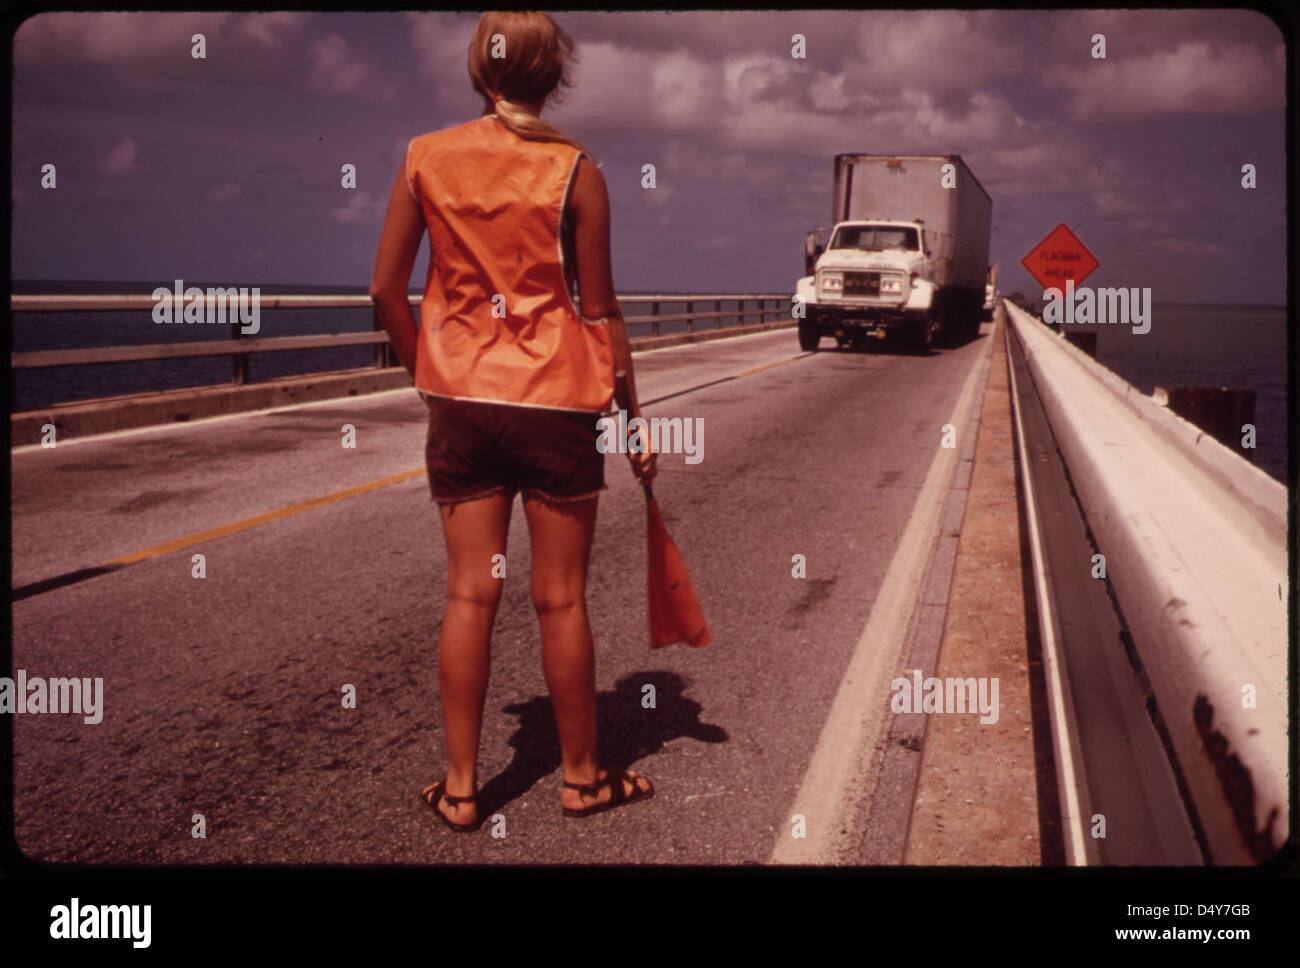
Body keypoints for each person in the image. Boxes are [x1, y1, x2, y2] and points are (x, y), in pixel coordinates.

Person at [369, 11, 656, 832]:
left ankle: (461, 790)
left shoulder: (427, 156)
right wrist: (633, 424)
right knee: (559, 600)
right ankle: (580, 779)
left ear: (477, 68)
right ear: (554, 74)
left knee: (469, 594)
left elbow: (388, 291)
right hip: (556, 399)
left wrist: (437, 379)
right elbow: (600, 314)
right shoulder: (577, 171)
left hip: (462, 399)